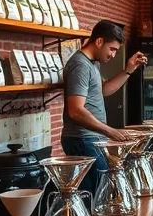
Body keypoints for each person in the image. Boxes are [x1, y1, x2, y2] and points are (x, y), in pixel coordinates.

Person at [61, 20, 147, 195]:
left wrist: (129, 70)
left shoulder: (92, 63)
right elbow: (75, 110)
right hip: (82, 140)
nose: (113, 55)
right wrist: (110, 131)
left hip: (90, 139)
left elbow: (104, 90)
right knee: (98, 194)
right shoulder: (80, 65)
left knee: (100, 193)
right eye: (112, 49)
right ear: (99, 42)